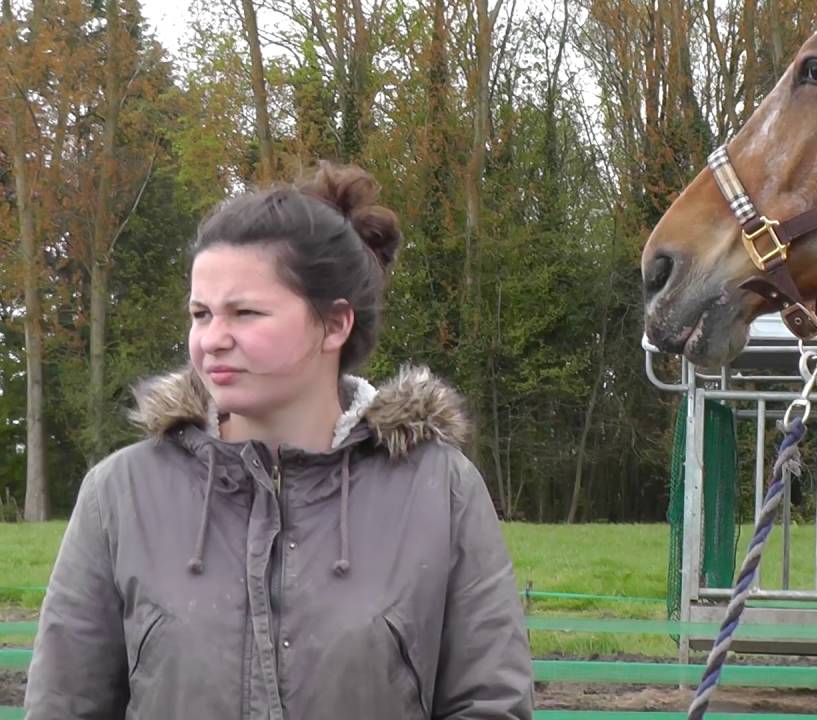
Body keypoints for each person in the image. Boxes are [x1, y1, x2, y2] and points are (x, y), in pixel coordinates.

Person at [23, 162, 534, 719]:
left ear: (335, 325)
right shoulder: (120, 495)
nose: (213, 339)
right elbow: (65, 706)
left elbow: (490, 703)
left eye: (245, 313)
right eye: (201, 314)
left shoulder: (441, 490)